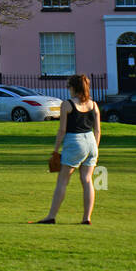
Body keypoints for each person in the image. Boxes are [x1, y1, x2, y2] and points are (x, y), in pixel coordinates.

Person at [32, 73, 100, 224]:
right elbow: (98, 130)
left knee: (62, 181)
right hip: (91, 142)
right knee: (87, 180)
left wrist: (56, 150)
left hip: (74, 141)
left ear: (73, 88)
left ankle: (51, 216)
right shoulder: (93, 104)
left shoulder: (67, 104)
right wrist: (95, 147)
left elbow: (62, 130)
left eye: (69, 87)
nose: (68, 90)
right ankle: (86, 218)